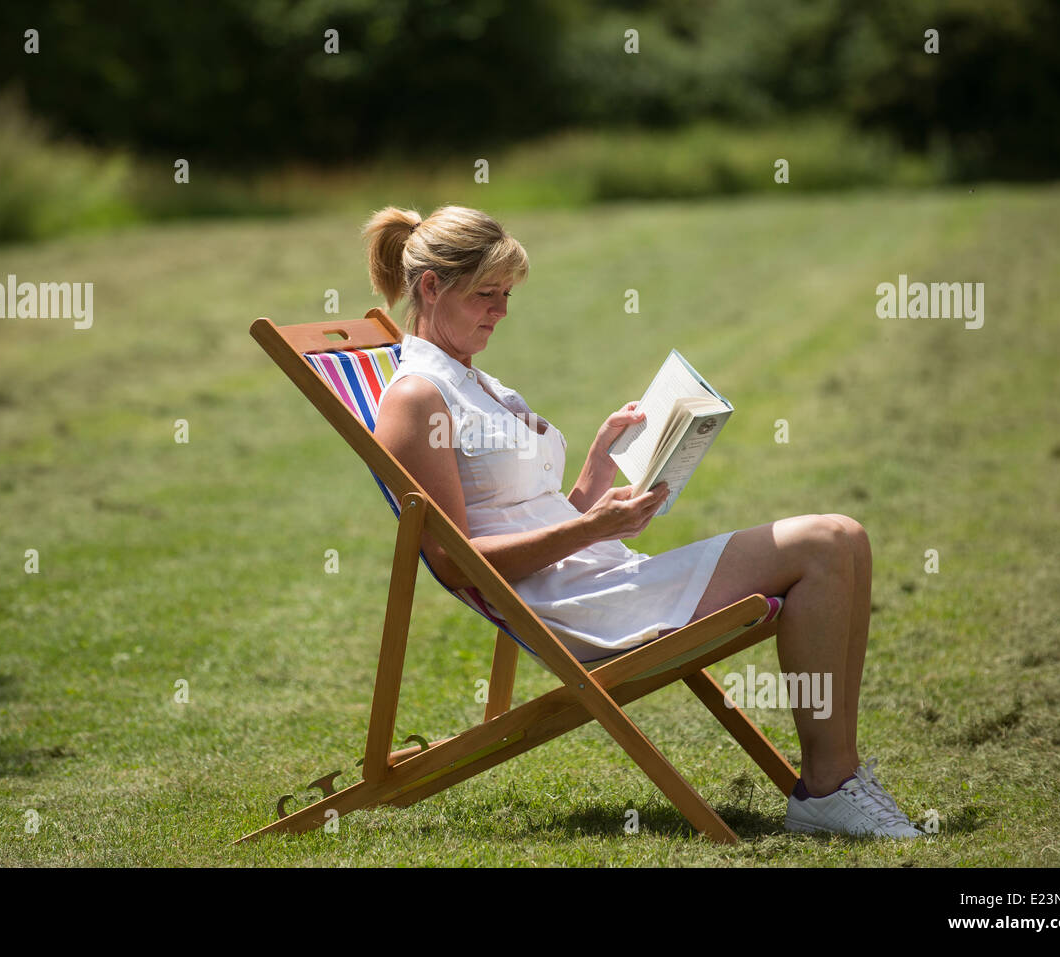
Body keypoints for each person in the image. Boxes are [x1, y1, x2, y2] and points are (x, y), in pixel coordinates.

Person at [367, 204, 922, 839]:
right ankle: (829, 787)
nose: (500, 310)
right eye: (485, 294)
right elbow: (456, 562)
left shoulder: (475, 382)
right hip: (584, 609)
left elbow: (534, 517)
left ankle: (838, 779)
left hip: (602, 578)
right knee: (825, 542)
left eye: (506, 294)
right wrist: (593, 528)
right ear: (433, 287)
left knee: (848, 537)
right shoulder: (417, 397)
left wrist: (595, 474)